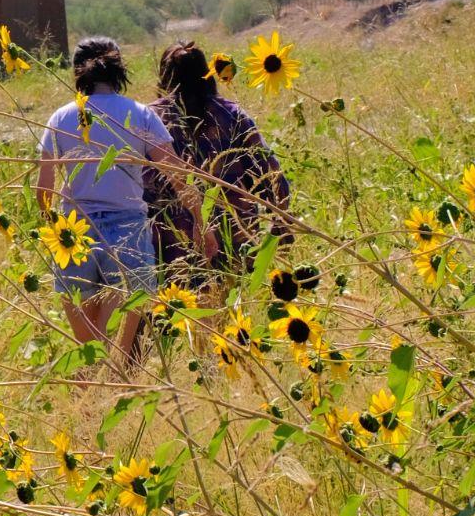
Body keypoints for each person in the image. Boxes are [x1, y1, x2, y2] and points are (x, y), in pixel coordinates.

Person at [35, 37, 212, 368]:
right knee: (121, 352)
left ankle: (88, 407)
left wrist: (51, 229)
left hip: (74, 236)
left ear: (78, 71)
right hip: (128, 234)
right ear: (119, 70)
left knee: (88, 350)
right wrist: (202, 224)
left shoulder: (61, 117)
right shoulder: (140, 114)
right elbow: (178, 177)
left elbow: (44, 190)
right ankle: (112, 398)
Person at [146, 40, 293, 276]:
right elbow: (273, 175)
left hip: (174, 247)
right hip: (236, 238)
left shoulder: (150, 118)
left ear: (165, 77)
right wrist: (281, 228)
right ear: (208, 74)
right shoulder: (232, 116)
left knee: (180, 311)